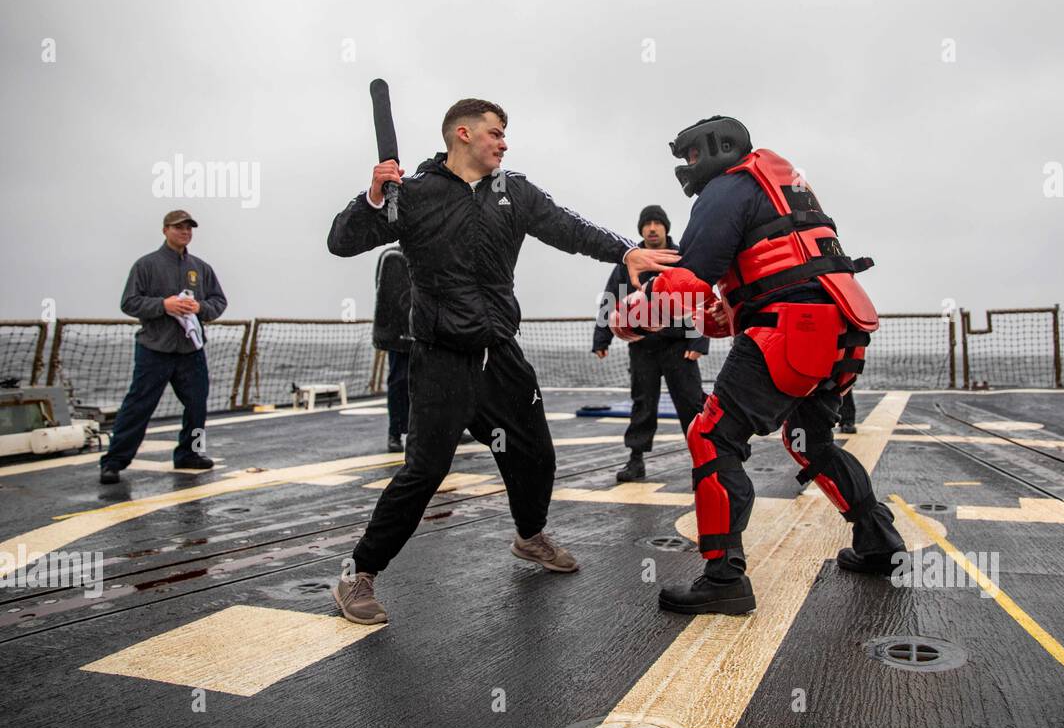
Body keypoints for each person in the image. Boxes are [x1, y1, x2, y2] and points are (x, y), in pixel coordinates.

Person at [326, 98, 678, 624]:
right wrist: (373, 197)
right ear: (462, 134)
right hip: (440, 358)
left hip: (501, 356)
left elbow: (569, 228)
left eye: (505, 134)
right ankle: (358, 575)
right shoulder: (414, 195)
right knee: (424, 472)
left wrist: (625, 250)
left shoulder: (514, 191)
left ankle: (530, 536)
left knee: (536, 456)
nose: (504, 142)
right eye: (496, 133)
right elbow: (341, 242)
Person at [611, 115, 906, 615]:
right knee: (810, 441)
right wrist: (725, 314)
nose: (688, 168)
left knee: (711, 435)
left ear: (715, 150)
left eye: (690, 157)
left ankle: (724, 576)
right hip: (843, 331)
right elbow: (781, 273)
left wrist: (628, 315)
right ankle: (877, 538)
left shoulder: (728, 188)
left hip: (791, 330)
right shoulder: (785, 187)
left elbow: (689, 278)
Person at [99, 210, 226, 484]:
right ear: (165, 230)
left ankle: (190, 454)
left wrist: (200, 307)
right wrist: (163, 305)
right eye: (179, 227)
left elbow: (219, 302)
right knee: (139, 405)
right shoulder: (146, 265)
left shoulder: (200, 268)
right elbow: (129, 302)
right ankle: (113, 462)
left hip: (190, 349)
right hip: (154, 349)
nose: (185, 232)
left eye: (189, 228)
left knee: (197, 404)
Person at [593, 205, 707, 482]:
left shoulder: (682, 258)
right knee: (642, 403)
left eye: (657, 223)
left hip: (679, 347)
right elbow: (611, 297)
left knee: (691, 404)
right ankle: (636, 460)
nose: (652, 228)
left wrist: (699, 341)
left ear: (666, 227)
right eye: (647, 224)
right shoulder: (629, 260)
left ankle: (704, 462)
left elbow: (699, 298)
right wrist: (602, 336)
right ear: (641, 229)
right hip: (642, 348)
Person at [373, 244, 411, 453]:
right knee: (398, 382)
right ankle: (395, 433)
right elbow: (383, 296)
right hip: (399, 335)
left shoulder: (390, 257)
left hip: (424, 332)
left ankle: (448, 430)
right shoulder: (391, 258)